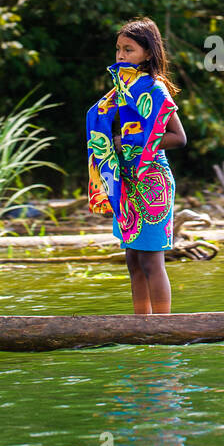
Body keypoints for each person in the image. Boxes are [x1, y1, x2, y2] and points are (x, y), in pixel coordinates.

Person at [85, 17, 187, 314]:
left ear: (148, 53)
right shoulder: (124, 89)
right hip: (127, 180)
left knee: (152, 260)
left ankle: (163, 328)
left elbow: (178, 138)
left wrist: (127, 141)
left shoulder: (155, 90)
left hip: (152, 182)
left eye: (128, 50)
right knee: (133, 259)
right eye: (118, 49)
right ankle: (141, 324)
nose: (120, 56)